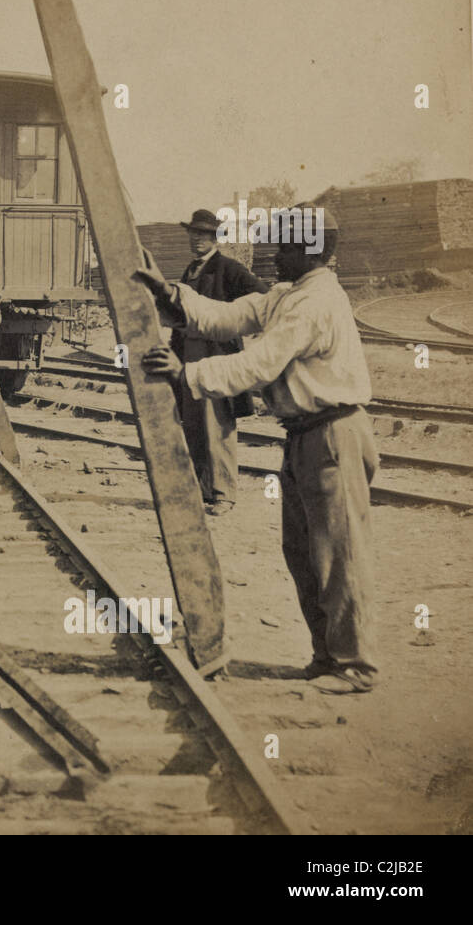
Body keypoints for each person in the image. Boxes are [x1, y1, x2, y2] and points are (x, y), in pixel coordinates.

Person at [138, 209, 380, 694]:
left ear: (310, 251)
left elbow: (258, 363)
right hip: (306, 435)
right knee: (304, 552)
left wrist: (187, 374)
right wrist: (171, 293)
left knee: (339, 554)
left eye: (285, 247)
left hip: (332, 434)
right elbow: (230, 317)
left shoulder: (314, 304)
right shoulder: (290, 295)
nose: (274, 255)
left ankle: (354, 666)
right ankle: (325, 657)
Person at [171, 209, 268, 515]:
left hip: (218, 358)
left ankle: (224, 494)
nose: (196, 239)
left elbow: (261, 297)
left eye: (203, 234)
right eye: (193, 233)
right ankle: (201, 492)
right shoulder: (190, 271)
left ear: (215, 238)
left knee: (218, 427)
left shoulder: (228, 268)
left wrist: (231, 321)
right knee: (194, 426)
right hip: (188, 357)